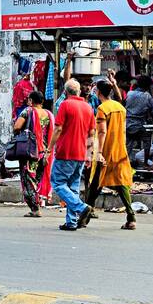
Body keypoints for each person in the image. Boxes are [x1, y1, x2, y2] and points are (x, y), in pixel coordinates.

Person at [85, 80, 138, 230]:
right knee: (121, 185)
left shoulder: (102, 108)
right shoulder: (119, 107)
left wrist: (99, 153)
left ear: (98, 92)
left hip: (106, 150)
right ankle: (131, 217)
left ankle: (85, 217)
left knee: (95, 183)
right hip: (120, 149)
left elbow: (102, 132)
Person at [47, 79, 95, 231]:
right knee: (73, 188)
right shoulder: (88, 107)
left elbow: (58, 129)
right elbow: (91, 133)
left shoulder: (65, 105)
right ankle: (71, 222)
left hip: (65, 152)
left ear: (65, 92)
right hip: (81, 153)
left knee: (58, 183)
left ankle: (81, 208)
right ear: (79, 91)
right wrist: (89, 154)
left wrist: (49, 148)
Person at [12, 90, 52, 217]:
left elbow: (17, 127)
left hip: (31, 152)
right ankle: (38, 203)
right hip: (43, 153)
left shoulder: (28, 111)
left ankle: (35, 208)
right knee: (38, 179)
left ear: (31, 101)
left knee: (28, 179)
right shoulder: (48, 114)